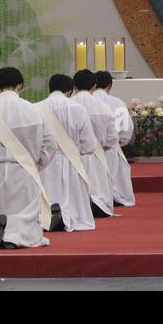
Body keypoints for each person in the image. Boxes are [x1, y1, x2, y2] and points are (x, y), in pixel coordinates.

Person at [0, 66, 57, 249]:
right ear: (20, 85)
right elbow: (50, 143)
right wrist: (36, 164)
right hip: (22, 169)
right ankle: (15, 236)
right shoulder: (33, 110)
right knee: (23, 212)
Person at [36, 73, 97, 232]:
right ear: (70, 91)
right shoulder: (78, 109)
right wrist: (76, 151)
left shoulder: (36, 108)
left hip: (45, 162)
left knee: (48, 192)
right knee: (72, 196)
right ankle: (70, 216)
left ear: (49, 89)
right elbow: (89, 144)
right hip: (71, 160)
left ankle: (47, 217)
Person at [70, 69, 118, 218]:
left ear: (75, 87)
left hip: (72, 155)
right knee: (98, 186)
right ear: (94, 86)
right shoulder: (103, 106)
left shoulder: (69, 105)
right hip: (97, 153)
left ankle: (78, 208)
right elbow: (112, 138)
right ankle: (98, 205)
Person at [93, 70, 135, 206]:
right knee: (114, 175)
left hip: (89, 150)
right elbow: (126, 128)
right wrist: (119, 142)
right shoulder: (117, 102)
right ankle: (115, 198)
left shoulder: (86, 102)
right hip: (111, 148)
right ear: (110, 85)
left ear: (93, 85)